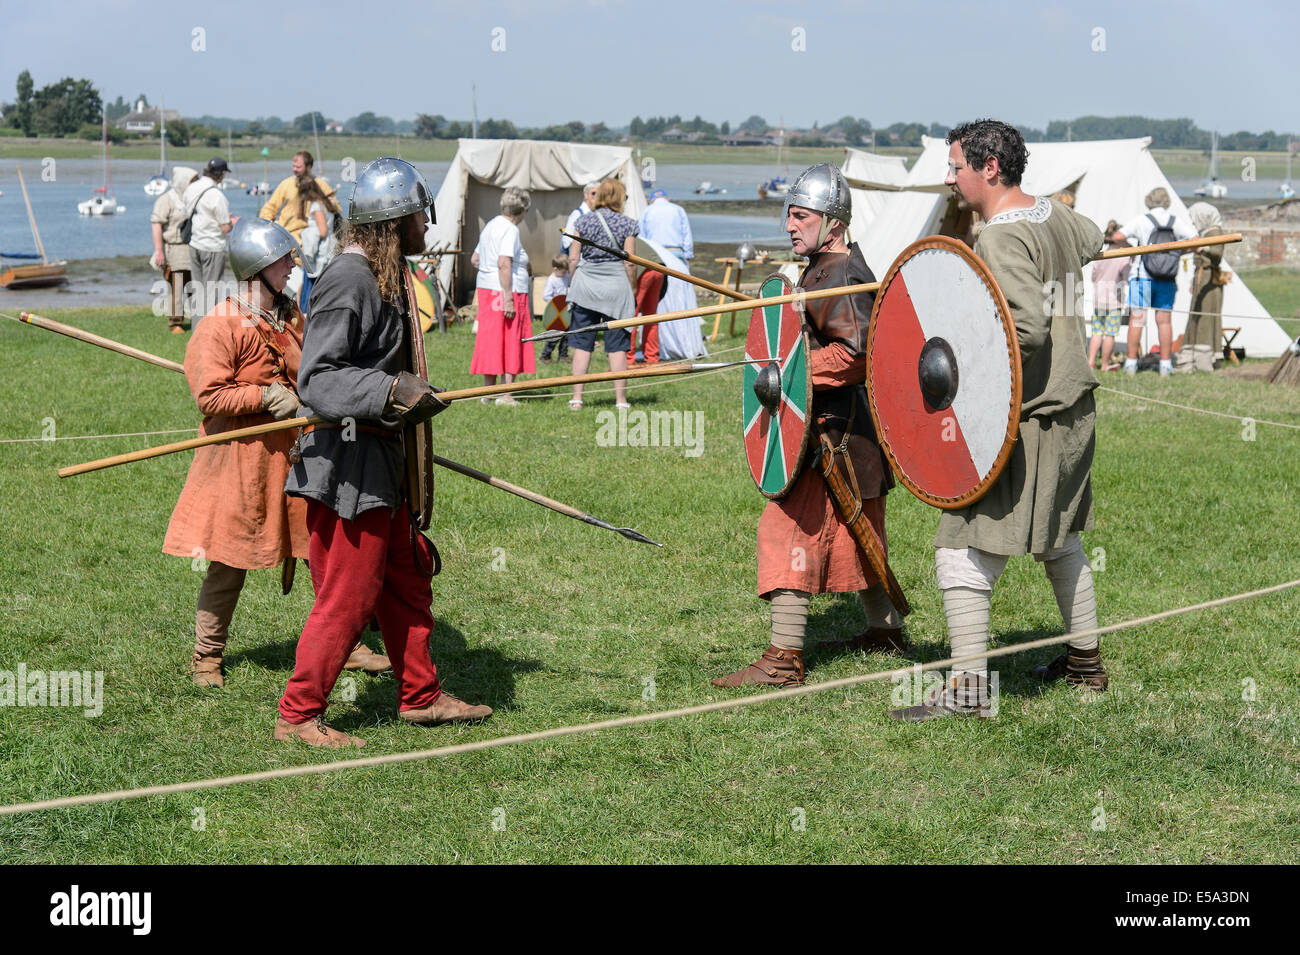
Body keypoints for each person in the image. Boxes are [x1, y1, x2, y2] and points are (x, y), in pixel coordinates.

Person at [891, 119, 1107, 721]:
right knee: (1061, 537)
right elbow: (1094, 239)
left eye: (956, 165)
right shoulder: (1056, 214)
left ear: (990, 167)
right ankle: (1085, 663)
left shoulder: (1000, 240)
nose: (950, 177)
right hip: (1074, 407)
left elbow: (1025, 330)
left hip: (1030, 416)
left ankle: (969, 690)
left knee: (960, 543)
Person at [278, 157, 491, 748]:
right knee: (350, 595)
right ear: (394, 222)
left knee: (405, 577)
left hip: (382, 460)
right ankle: (298, 714)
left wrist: (406, 393)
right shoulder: (350, 279)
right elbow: (318, 380)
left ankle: (420, 697)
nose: (428, 223)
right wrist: (392, 390)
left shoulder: (386, 273)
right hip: (347, 465)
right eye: (420, 213)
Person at [712, 163, 901, 689]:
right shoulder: (825, 269)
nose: (790, 225)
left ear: (832, 223)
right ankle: (884, 630)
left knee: (784, 530)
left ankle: (783, 660)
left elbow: (855, 355)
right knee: (858, 534)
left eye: (800, 216)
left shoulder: (839, 274)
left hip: (831, 436)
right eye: (789, 216)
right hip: (839, 432)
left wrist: (789, 372)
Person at [162, 218, 310, 688]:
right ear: (258, 267)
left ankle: (346, 646)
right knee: (228, 560)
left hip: (296, 456)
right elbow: (210, 397)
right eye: (284, 259)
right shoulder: (219, 324)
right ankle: (206, 657)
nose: (292, 265)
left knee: (320, 552)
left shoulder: (288, 317)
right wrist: (265, 396)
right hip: (241, 462)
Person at [567, 178, 638, 410]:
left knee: (582, 344)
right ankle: (620, 400)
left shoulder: (583, 220)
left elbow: (574, 258)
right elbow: (630, 263)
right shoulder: (627, 224)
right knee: (617, 346)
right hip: (616, 287)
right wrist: (633, 288)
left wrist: (572, 282)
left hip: (586, 286)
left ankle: (577, 398)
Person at [1115, 188, 1197, 377]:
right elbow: (1195, 240)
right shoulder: (1175, 222)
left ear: (1149, 201)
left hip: (1142, 275)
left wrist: (1133, 250)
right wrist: (1177, 254)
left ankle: (1131, 364)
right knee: (1164, 321)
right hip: (1167, 277)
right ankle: (1166, 365)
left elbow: (1118, 237)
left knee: (1137, 319)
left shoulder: (1141, 220)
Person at [469, 187, 536, 405]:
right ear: (522, 210)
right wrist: (508, 297)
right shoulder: (510, 230)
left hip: (488, 290)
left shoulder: (490, 225)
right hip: (508, 291)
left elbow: (475, 259)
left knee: (492, 339)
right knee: (511, 339)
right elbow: (504, 262)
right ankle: (506, 394)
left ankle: (489, 392)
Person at [631, 189, 696, 364]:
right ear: (666, 198)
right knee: (677, 303)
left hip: (654, 257)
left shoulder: (647, 211)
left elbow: (642, 239)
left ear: (651, 199)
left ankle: (633, 355)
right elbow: (686, 235)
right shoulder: (678, 210)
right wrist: (688, 256)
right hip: (677, 255)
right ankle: (670, 347)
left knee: (643, 310)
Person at [183, 158, 234, 320]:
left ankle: (196, 328)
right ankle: (208, 334)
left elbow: (188, 211)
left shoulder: (191, 188)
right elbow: (225, 228)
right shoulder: (216, 195)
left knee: (198, 291)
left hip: (194, 243)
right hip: (212, 245)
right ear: (222, 173)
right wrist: (233, 222)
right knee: (211, 293)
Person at [150, 165, 197, 334]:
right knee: (176, 286)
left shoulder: (193, 197)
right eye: (191, 180)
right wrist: (159, 251)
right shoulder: (166, 199)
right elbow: (157, 225)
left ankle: (196, 318)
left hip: (194, 247)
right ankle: (175, 322)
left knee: (195, 286)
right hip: (175, 249)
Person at [1182, 202, 1228, 373]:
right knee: (1198, 314)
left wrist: (1202, 247)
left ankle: (1204, 359)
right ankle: (1192, 357)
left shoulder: (1215, 231)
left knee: (1206, 317)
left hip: (1210, 279)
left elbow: (1217, 253)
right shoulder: (1206, 232)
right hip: (1202, 276)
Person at [259, 151, 340, 240]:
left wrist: (331, 204)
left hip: (313, 238)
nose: (295, 169)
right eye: (293, 166)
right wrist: (268, 227)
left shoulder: (321, 185)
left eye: (298, 167)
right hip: (288, 236)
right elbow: (270, 208)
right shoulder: (286, 184)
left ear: (309, 167)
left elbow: (337, 209)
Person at [1087, 220, 1128, 372]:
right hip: (1114, 301)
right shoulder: (1123, 257)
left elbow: (1093, 277)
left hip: (1099, 300)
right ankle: (1104, 364)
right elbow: (1126, 278)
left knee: (1096, 332)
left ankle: (1091, 362)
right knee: (1110, 334)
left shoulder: (1100, 255)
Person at [297, 175, 339, 306]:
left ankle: (306, 315)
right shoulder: (326, 202)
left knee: (310, 287)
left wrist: (305, 234)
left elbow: (322, 231)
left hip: (319, 254)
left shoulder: (316, 206)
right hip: (330, 250)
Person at [539, 253, 570, 363]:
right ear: (556, 269)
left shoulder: (566, 276)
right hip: (555, 313)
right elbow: (546, 296)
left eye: (566, 271)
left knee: (566, 335)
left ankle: (563, 355)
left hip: (565, 312)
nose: (565, 273)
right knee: (554, 337)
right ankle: (545, 356)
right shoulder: (552, 280)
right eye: (563, 271)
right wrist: (556, 301)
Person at [561, 182, 600, 253]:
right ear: (586, 195)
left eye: (599, 194)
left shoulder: (599, 213)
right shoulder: (577, 214)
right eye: (593, 193)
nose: (596, 196)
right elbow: (567, 239)